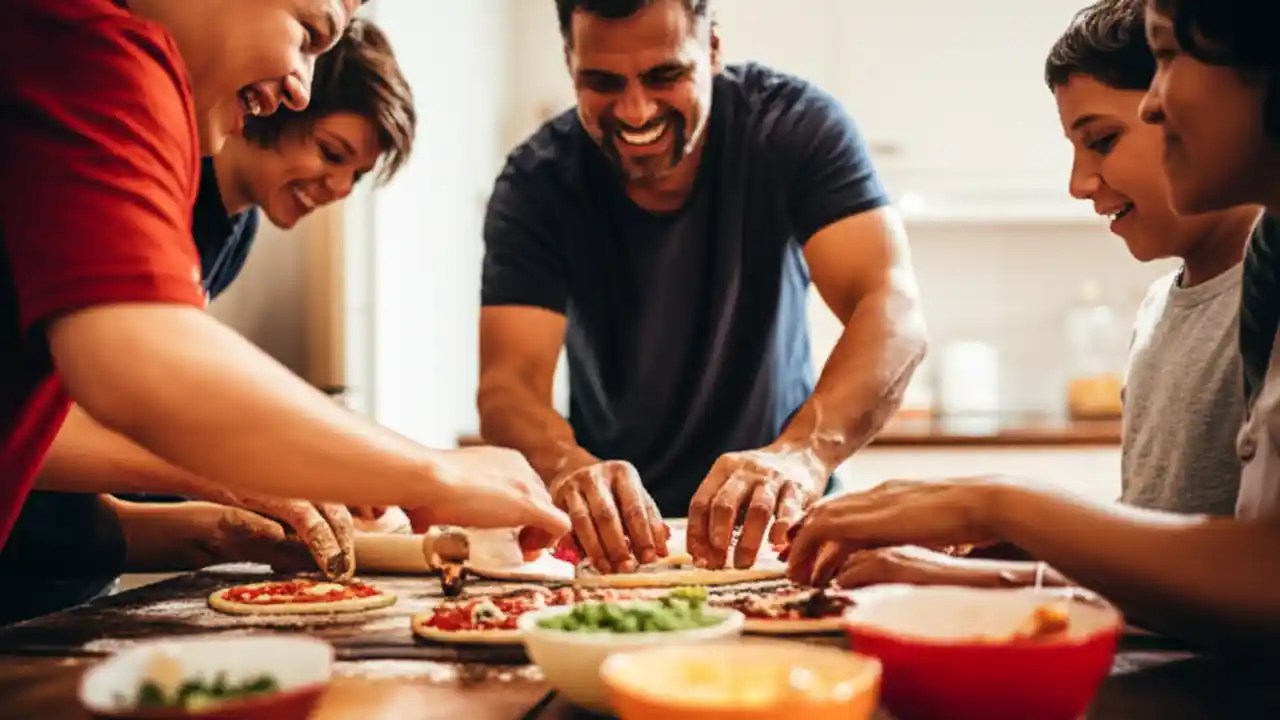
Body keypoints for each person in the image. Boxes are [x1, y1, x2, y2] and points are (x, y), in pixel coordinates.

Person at [0, 0, 569, 585]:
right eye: (306, 35)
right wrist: (432, 474)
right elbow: (137, 367)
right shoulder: (82, 44)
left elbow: (29, 418)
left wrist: (224, 517)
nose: (300, 88)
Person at [785, 0, 1280, 656]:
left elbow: (1247, 581)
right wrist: (999, 560)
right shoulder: (1170, 304)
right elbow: (1169, 566)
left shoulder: (1257, 282)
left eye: (1102, 139)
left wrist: (997, 510)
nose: (1078, 182)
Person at [476, 0, 927, 575]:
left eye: (665, 75)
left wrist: (802, 455)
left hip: (779, 525)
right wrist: (565, 468)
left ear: (712, 49)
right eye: (603, 82)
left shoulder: (791, 127)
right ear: (570, 64)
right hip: (616, 544)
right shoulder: (536, 182)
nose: (635, 111)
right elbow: (507, 386)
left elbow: (891, 307)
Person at [0, 17, 416, 625]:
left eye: (355, 175)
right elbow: (111, 389)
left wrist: (226, 509)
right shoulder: (79, 72)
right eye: (331, 154)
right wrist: (246, 470)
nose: (339, 188)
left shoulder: (234, 231)